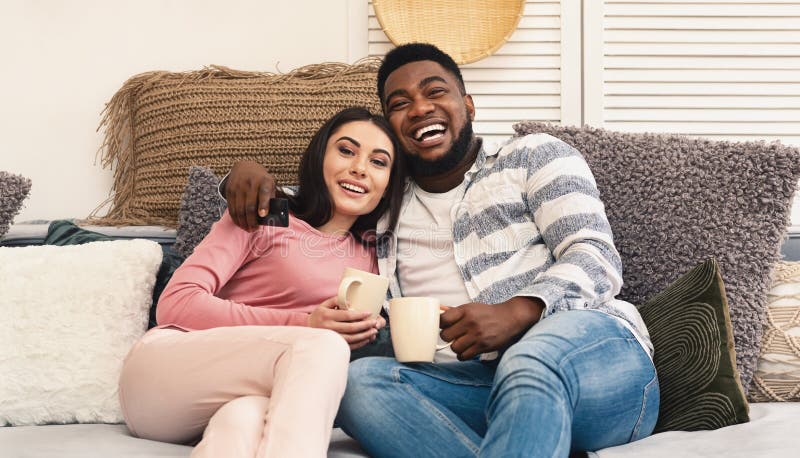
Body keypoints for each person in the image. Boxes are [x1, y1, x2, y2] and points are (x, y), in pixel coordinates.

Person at [222, 44, 659, 457]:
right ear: (390, 129)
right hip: (476, 385)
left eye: (434, 92)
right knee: (356, 383)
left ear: (468, 105)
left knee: (529, 359)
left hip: (596, 364)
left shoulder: (532, 156)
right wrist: (242, 174)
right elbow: (309, 207)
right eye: (400, 103)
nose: (419, 108)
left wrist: (519, 310)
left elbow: (594, 254)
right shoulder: (384, 204)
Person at [118, 107, 406, 458]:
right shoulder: (269, 215)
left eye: (378, 162)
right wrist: (306, 324)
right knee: (323, 346)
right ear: (319, 158)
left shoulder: (378, 256)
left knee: (243, 421)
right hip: (165, 372)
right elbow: (176, 302)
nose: (360, 168)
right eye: (346, 150)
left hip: (246, 396)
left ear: (389, 185)